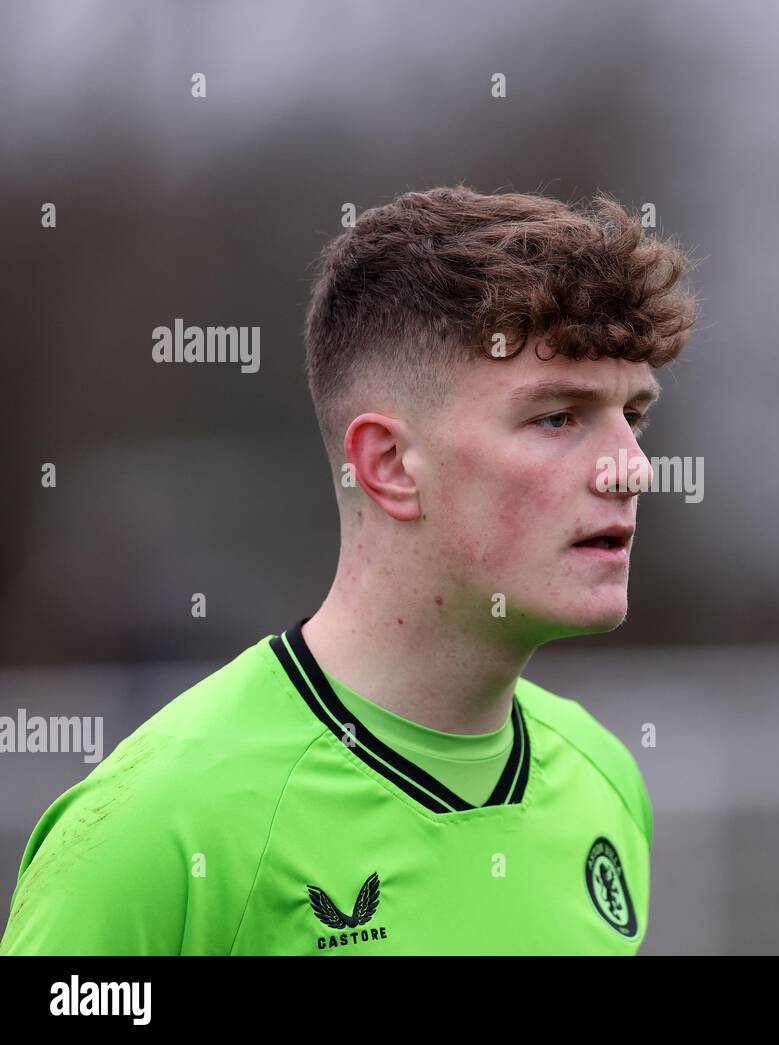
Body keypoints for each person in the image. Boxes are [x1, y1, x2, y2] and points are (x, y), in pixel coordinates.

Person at [0, 185, 698, 954]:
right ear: (390, 464)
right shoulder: (155, 832)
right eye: (558, 417)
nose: (631, 470)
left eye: (632, 416)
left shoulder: (605, 777)